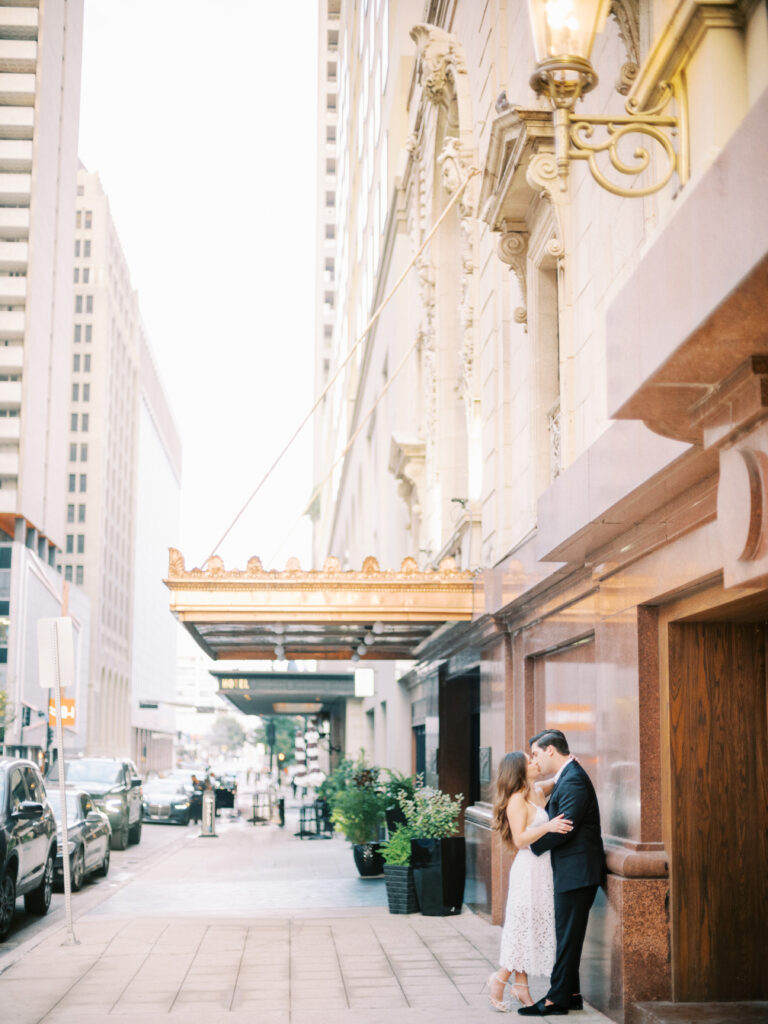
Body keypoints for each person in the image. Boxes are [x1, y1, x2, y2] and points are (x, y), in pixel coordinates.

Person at [518, 730, 605, 1017]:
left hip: (578, 872)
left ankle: (556, 1001)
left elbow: (564, 828)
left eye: (536, 754)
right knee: (567, 934)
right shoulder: (567, 777)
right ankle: (572, 994)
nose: (534, 760)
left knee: (567, 937)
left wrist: (531, 847)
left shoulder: (575, 780)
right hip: (571, 870)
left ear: (551, 751)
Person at [488, 751, 573, 1011]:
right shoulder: (516, 800)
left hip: (543, 869)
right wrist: (548, 827)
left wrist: (570, 761)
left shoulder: (536, 789)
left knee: (531, 926)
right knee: (523, 927)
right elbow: (520, 839)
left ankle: (521, 987)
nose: (535, 762)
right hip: (527, 869)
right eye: (530, 761)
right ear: (520, 771)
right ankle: (500, 978)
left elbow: (559, 778)